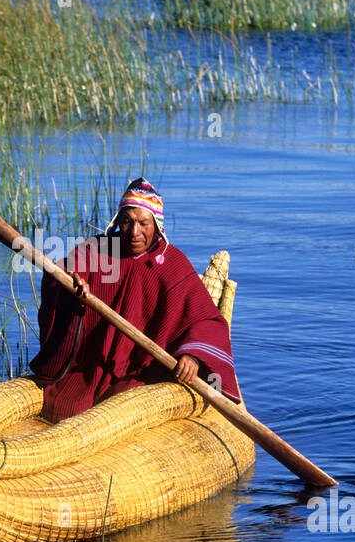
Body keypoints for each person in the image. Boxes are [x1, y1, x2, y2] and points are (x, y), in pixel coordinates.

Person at [29, 177, 240, 423]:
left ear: (157, 225)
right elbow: (64, 271)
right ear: (118, 222)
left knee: (119, 412)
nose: (134, 232)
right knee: (66, 406)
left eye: (143, 223)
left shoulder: (171, 263)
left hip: (143, 373)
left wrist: (192, 357)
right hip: (88, 367)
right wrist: (71, 283)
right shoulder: (98, 249)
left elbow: (207, 320)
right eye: (127, 222)